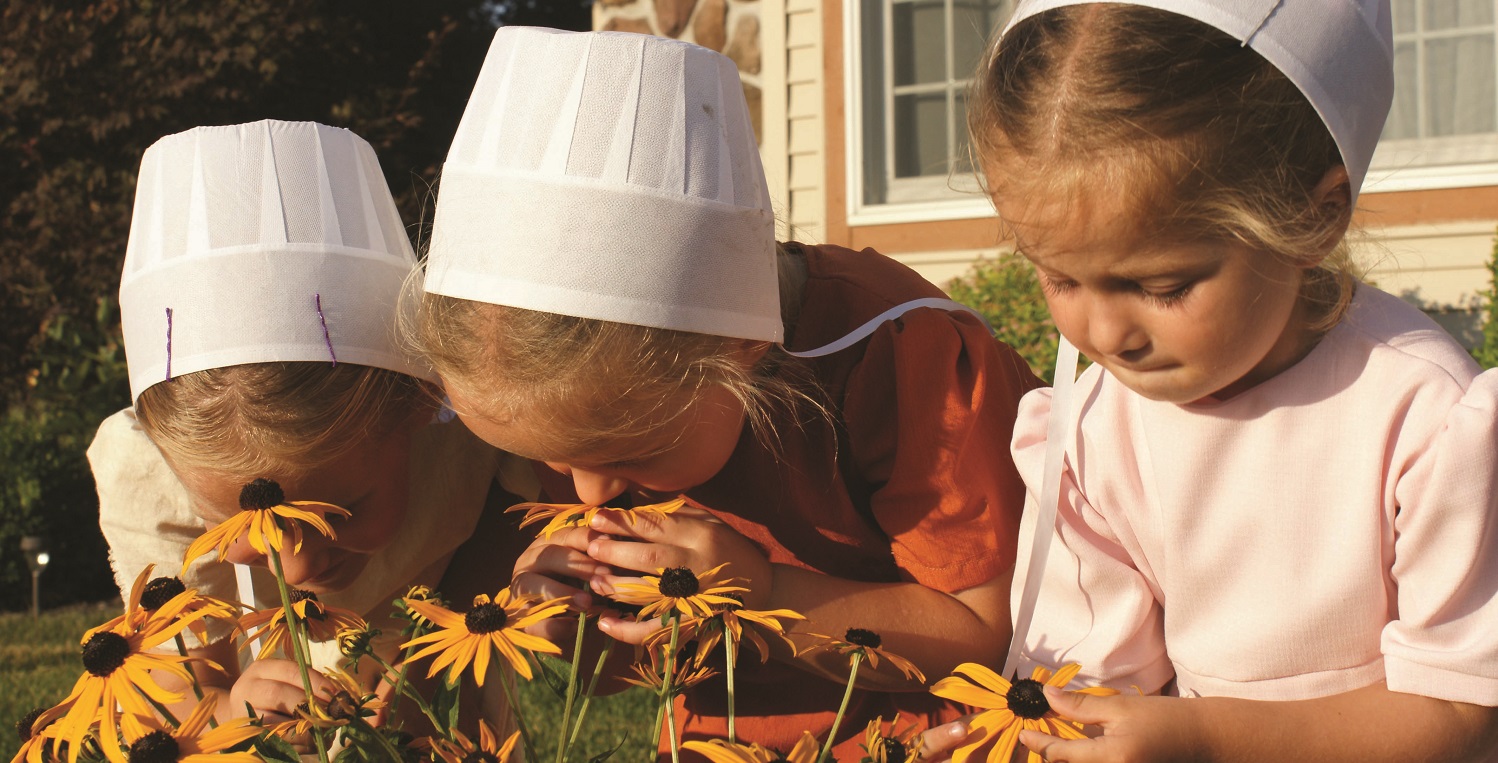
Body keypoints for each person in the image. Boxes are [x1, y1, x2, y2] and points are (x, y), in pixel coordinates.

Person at [409, 27, 1044, 759]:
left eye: (629, 450)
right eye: (555, 462)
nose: (589, 494)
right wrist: (580, 625)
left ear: (740, 349)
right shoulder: (624, 408)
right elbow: (633, 674)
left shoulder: (902, 363)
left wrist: (766, 595)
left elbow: (981, 633)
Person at [918, 1, 1498, 761]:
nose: (1104, 333)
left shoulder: (1422, 416)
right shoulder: (1094, 429)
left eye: (1162, 285)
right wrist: (1025, 740)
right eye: (1059, 277)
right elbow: (1091, 676)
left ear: (1312, 218)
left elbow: (1456, 705)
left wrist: (1206, 735)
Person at [91, 119, 537, 729]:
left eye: (339, 513)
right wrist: (229, 713)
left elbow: (504, 530)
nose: (298, 570)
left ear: (417, 402)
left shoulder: (468, 428)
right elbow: (176, 683)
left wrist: (427, 672)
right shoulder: (147, 478)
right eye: (236, 525)